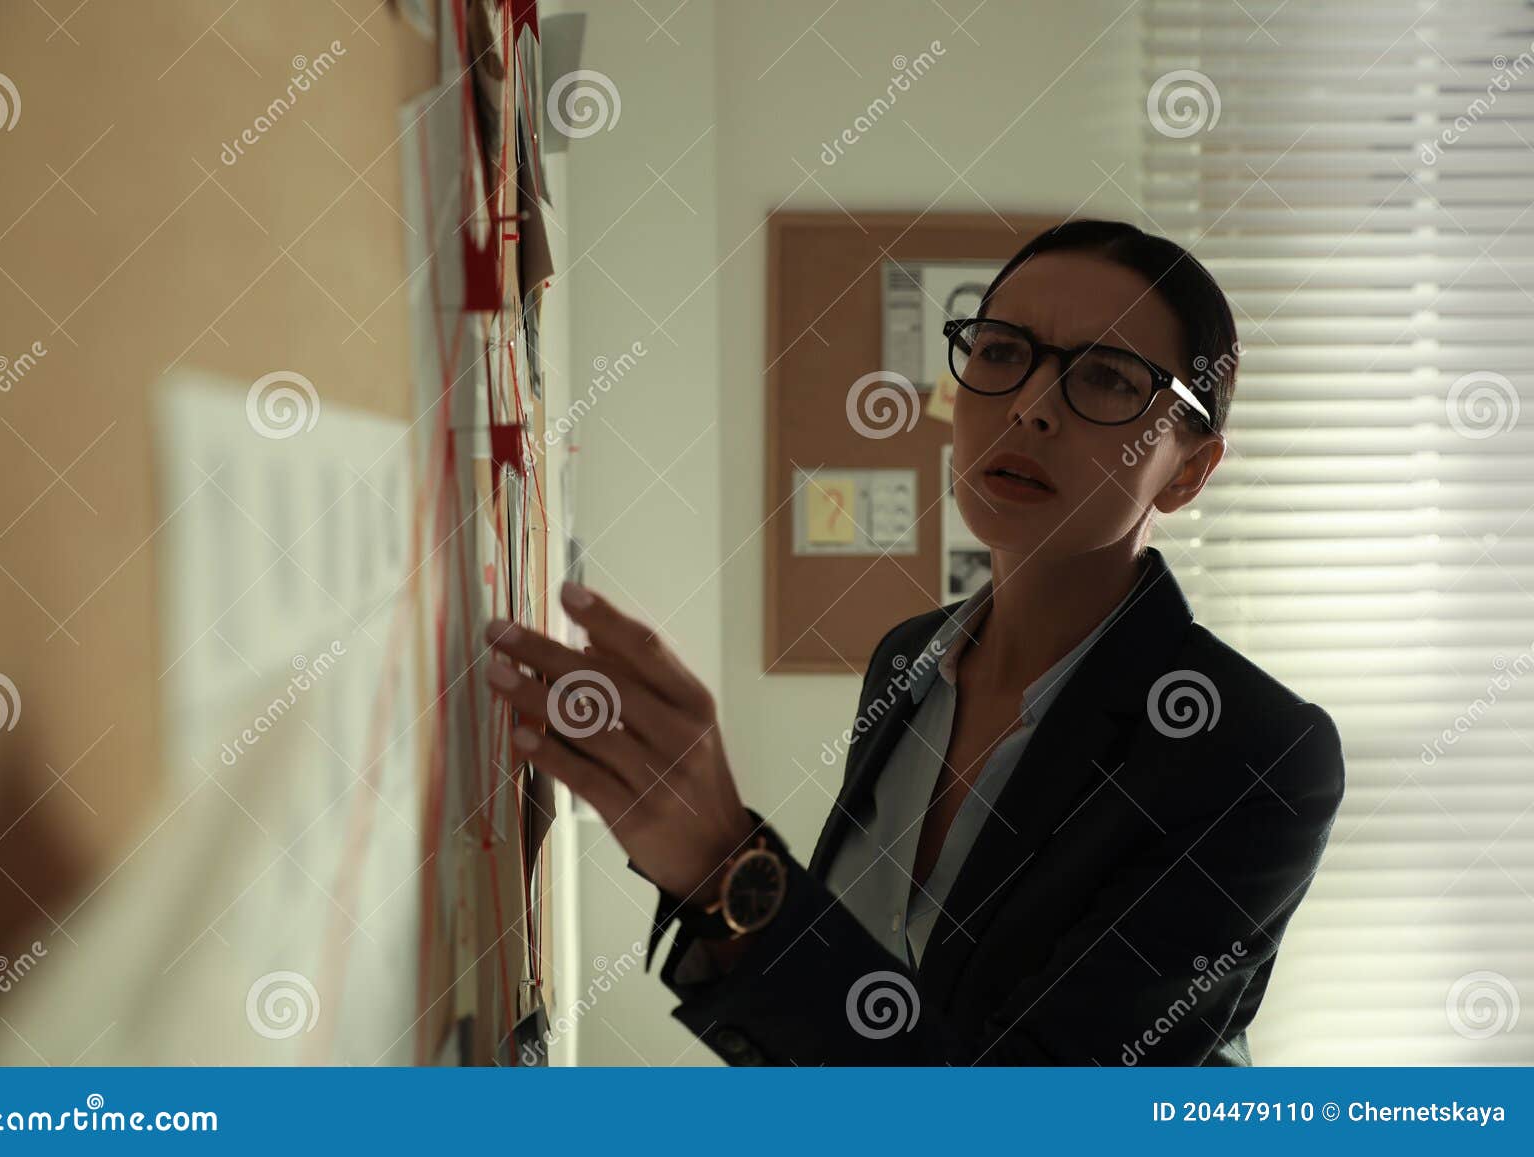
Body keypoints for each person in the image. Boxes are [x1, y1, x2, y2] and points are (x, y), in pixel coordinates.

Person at [483, 218, 1345, 1066]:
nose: (1032, 406)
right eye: (1004, 350)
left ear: (1189, 469)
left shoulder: (1257, 753)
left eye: (1111, 378)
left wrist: (729, 872)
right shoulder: (909, 659)